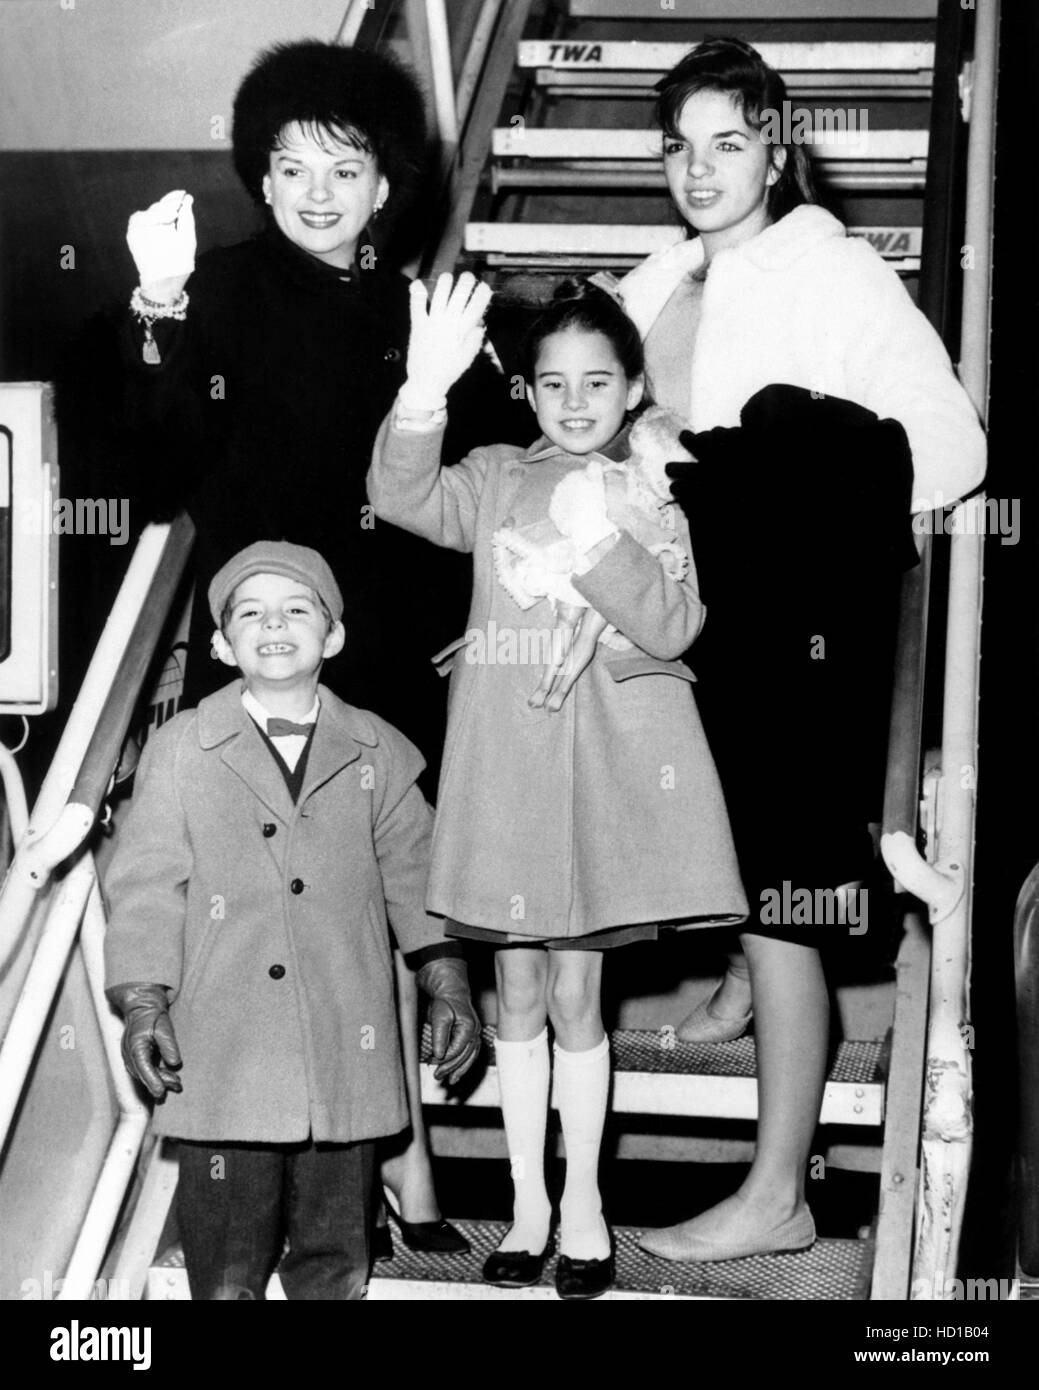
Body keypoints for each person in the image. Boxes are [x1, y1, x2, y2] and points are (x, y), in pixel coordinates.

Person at [59, 40, 524, 1252]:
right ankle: (288, 1180)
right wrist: (154, 316)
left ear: (388, 186)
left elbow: (488, 497)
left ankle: (404, 1176)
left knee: (381, 908)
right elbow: (151, 472)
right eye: (289, 167)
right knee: (263, 919)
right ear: (259, 181)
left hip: (397, 650)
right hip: (261, 646)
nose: (317, 193)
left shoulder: (427, 311)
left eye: (346, 167)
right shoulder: (208, 292)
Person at [615, 37, 986, 1261]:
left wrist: (746, 488)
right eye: (679, 144)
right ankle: (732, 977)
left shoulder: (834, 275)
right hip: (663, 616)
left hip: (782, 624)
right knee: (703, 850)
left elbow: (948, 445)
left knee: (783, 895)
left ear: (777, 146)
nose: (700, 168)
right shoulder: (652, 279)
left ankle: (776, 1193)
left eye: (729, 141)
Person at [367, 274, 747, 1298]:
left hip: (608, 782)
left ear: (631, 389)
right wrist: (422, 397)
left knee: (579, 992)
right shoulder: (493, 475)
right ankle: (527, 1206)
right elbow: (400, 496)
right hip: (506, 772)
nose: (574, 402)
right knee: (518, 992)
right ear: (526, 393)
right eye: (551, 383)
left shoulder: (660, 487)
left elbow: (676, 625)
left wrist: (597, 542)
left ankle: (584, 1203)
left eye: (596, 381)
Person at [102, 540, 481, 1299]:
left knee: (336, 1252)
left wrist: (448, 981)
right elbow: (145, 883)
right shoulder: (181, 750)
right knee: (227, 1257)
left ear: (332, 635)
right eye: (250, 613)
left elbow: (416, 875)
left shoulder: (379, 749)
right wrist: (143, 1000)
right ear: (220, 642)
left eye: (296, 609)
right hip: (226, 1042)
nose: (273, 625)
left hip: (345, 1041)